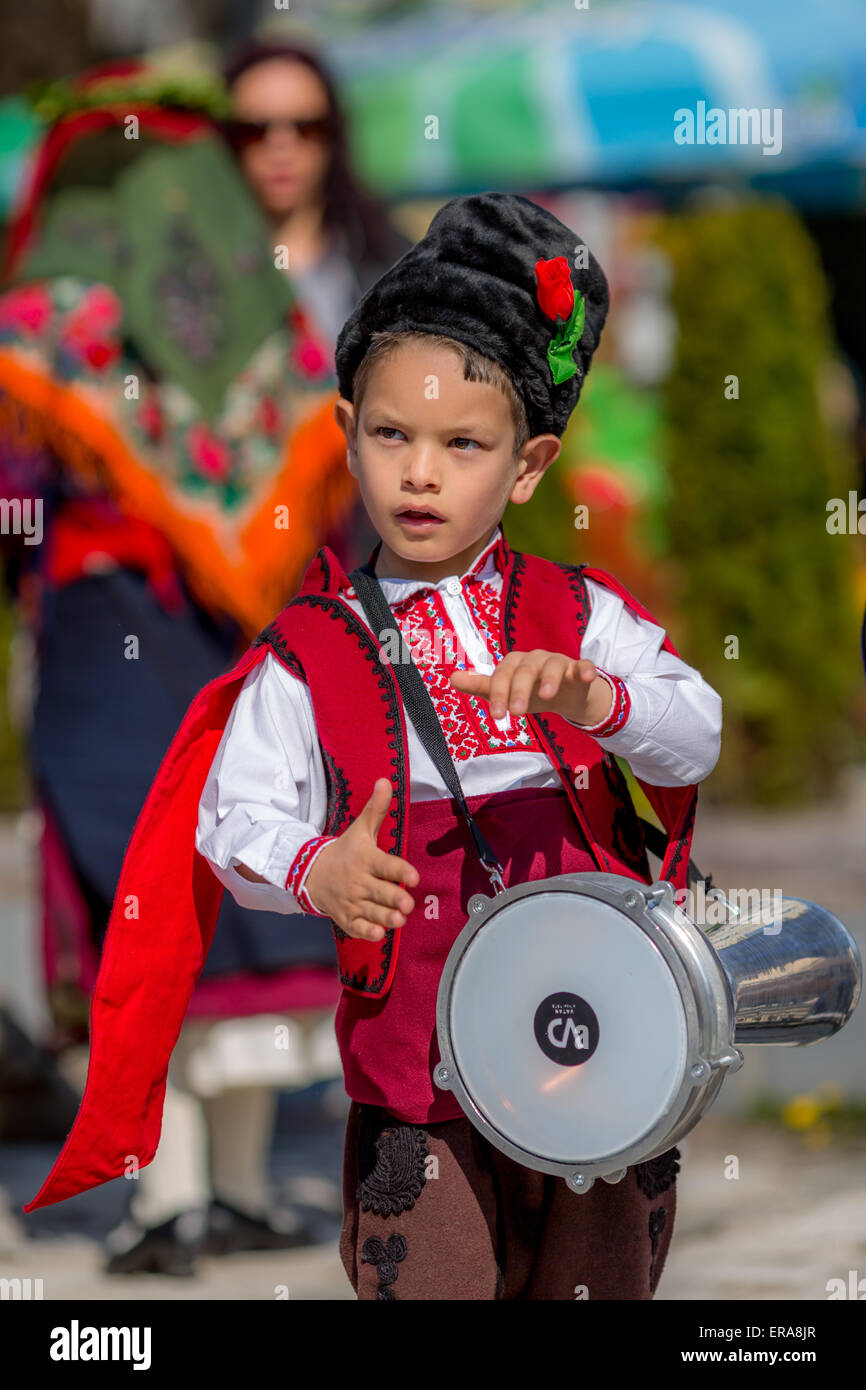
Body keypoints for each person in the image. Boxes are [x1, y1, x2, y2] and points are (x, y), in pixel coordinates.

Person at [22, 193, 721, 1300]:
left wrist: (599, 699)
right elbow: (230, 820)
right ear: (345, 433)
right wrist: (317, 868)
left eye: (462, 444)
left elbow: (693, 737)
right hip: (418, 1076)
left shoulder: (581, 616)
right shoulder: (310, 650)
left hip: (595, 1051)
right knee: (432, 1276)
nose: (419, 472)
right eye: (391, 434)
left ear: (529, 465)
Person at [0, 60, 357, 1275]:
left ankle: (198, 1196)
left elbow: (13, 488)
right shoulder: (257, 314)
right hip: (209, 631)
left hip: (130, 634)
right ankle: (201, 1192)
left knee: (170, 886)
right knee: (196, 881)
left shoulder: (56, 318)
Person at [222, 38, 413, 572]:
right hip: (231, 564)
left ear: (333, 137)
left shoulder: (392, 265)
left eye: (305, 127)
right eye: (254, 130)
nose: (281, 146)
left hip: (364, 556)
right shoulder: (186, 278)